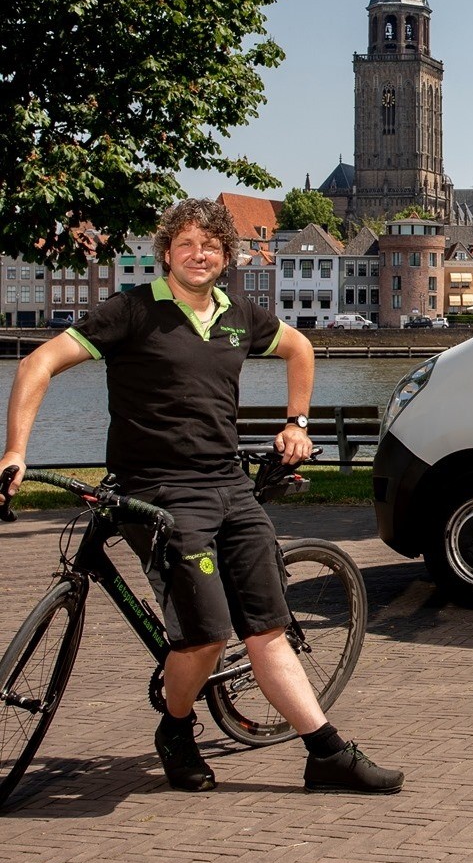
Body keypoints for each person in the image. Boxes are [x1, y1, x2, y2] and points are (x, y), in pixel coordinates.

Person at [1, 199, 403, 796]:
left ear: (225, 258)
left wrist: (297, 422)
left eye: (211, 247)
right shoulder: (131, 311)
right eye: (187, 245)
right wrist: (15, 451)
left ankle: (326, 754)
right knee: (206, 632)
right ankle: (177, 725)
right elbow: (37, 363)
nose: (199, 255)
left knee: (267, 625)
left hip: (229, 485)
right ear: (167, 252)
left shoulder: (238, 313)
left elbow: (301, 349)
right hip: (157, 491)